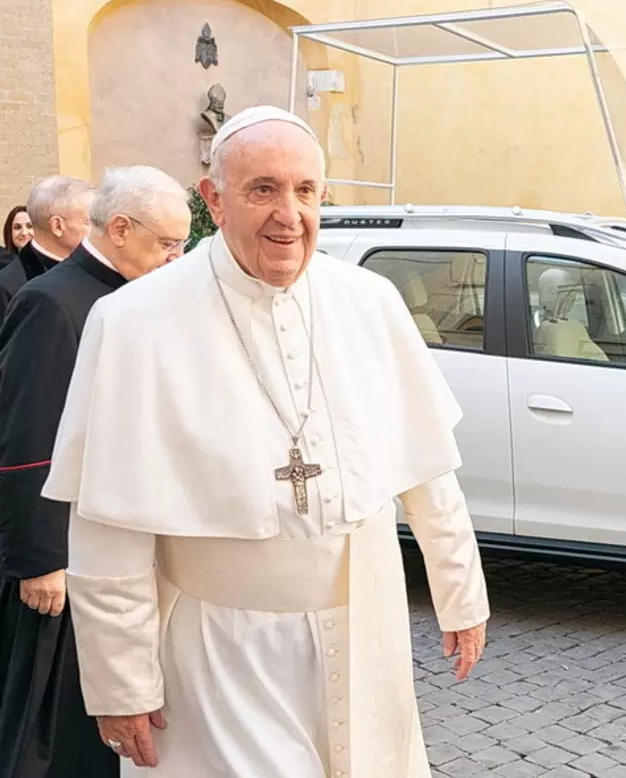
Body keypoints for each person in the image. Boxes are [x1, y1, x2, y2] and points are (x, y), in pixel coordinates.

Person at [44, 106, 491, 778]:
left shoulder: (369, 302)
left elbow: (427, 465)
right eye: (263, 189)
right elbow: (110, 523)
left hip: (362, 628)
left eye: (305, 190)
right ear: (214, 200)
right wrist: (121, 683)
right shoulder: (133, 322)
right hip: (220, 654)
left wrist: (461, 591)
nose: (290, 213)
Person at [0, 166, 190, 778]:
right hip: (66, 556)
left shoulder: (139, 297)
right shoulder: (51, 302)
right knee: (51, 730)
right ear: (122, 229)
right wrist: (40, 559)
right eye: (167, 243)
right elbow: (27, 438)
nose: (175, 257)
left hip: (125, 540)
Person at [0, 178, 93, 317]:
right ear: (57, 226)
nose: (98, 230)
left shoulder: (93, 270)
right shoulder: (7, 286)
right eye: (89, 221)